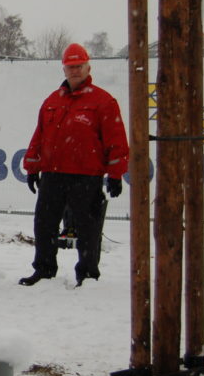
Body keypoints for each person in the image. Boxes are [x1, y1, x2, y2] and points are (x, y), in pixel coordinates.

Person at [19, 43, 129, 287]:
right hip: (53, 175)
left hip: (86, 176)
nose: (75, 71)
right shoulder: (52, 101)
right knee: (44, 224)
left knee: (87, 228)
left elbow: (116, 139)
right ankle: (44, 269)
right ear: (64, 69)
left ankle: (88, 273)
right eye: (70, 67)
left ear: (88, 66)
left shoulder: (103, 101)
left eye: (79, 66)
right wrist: (32, 167)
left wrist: (115, 174)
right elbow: (40, 136)